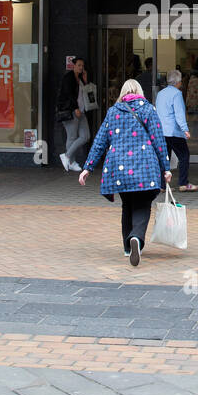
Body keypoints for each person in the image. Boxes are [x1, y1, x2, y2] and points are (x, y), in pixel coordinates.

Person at [78, 79, 172, 267]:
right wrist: (166, 168)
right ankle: (136, 237)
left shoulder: (113, 112)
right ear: (140, 91)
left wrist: (87, 167)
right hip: (146, 167)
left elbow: (100, 141)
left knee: (127, 204)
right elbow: (158, 140)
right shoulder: (148, 110)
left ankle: (128, 247)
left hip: (119, 168)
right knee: (143, 204)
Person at [157, 68, 198, 192]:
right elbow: (179, 113)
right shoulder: (177, 94)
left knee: (165, 157)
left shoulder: (160, 93)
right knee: (184, 155)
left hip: (161, 131)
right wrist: (185, 129)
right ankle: (183, 183)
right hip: (173, 131)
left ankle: (162, 185)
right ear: (178, 82)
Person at [56, 57, 91, 172]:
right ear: (74, 66)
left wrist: (85, 80)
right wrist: (75, 108)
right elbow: (69, 94)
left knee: (85, 136)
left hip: (81, 111)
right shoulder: (69, 78)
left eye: (82, 65)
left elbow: (87, 92)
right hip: (71, 111)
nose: (81, 67)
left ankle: (67, 156)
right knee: (72, 137)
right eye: (79, 65)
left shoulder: (80, 78)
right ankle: (71, 162)